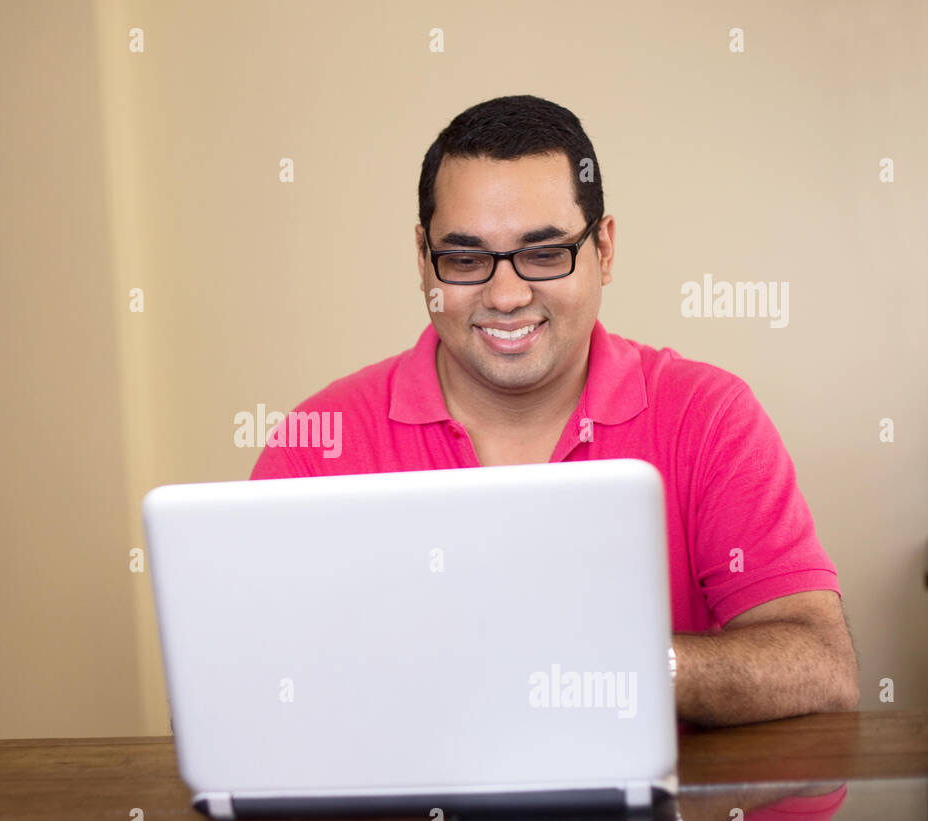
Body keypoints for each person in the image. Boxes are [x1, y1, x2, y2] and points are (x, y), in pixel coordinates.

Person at [249, 94, 858, 727]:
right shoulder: (317, 442)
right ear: (424, 260)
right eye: (464, 258)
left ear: (606, 250)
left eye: (544, 253)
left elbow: (822, 665)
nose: (506, 295)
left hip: (666, 819)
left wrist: (630, 669)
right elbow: (240, 685)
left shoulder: (708, 417)